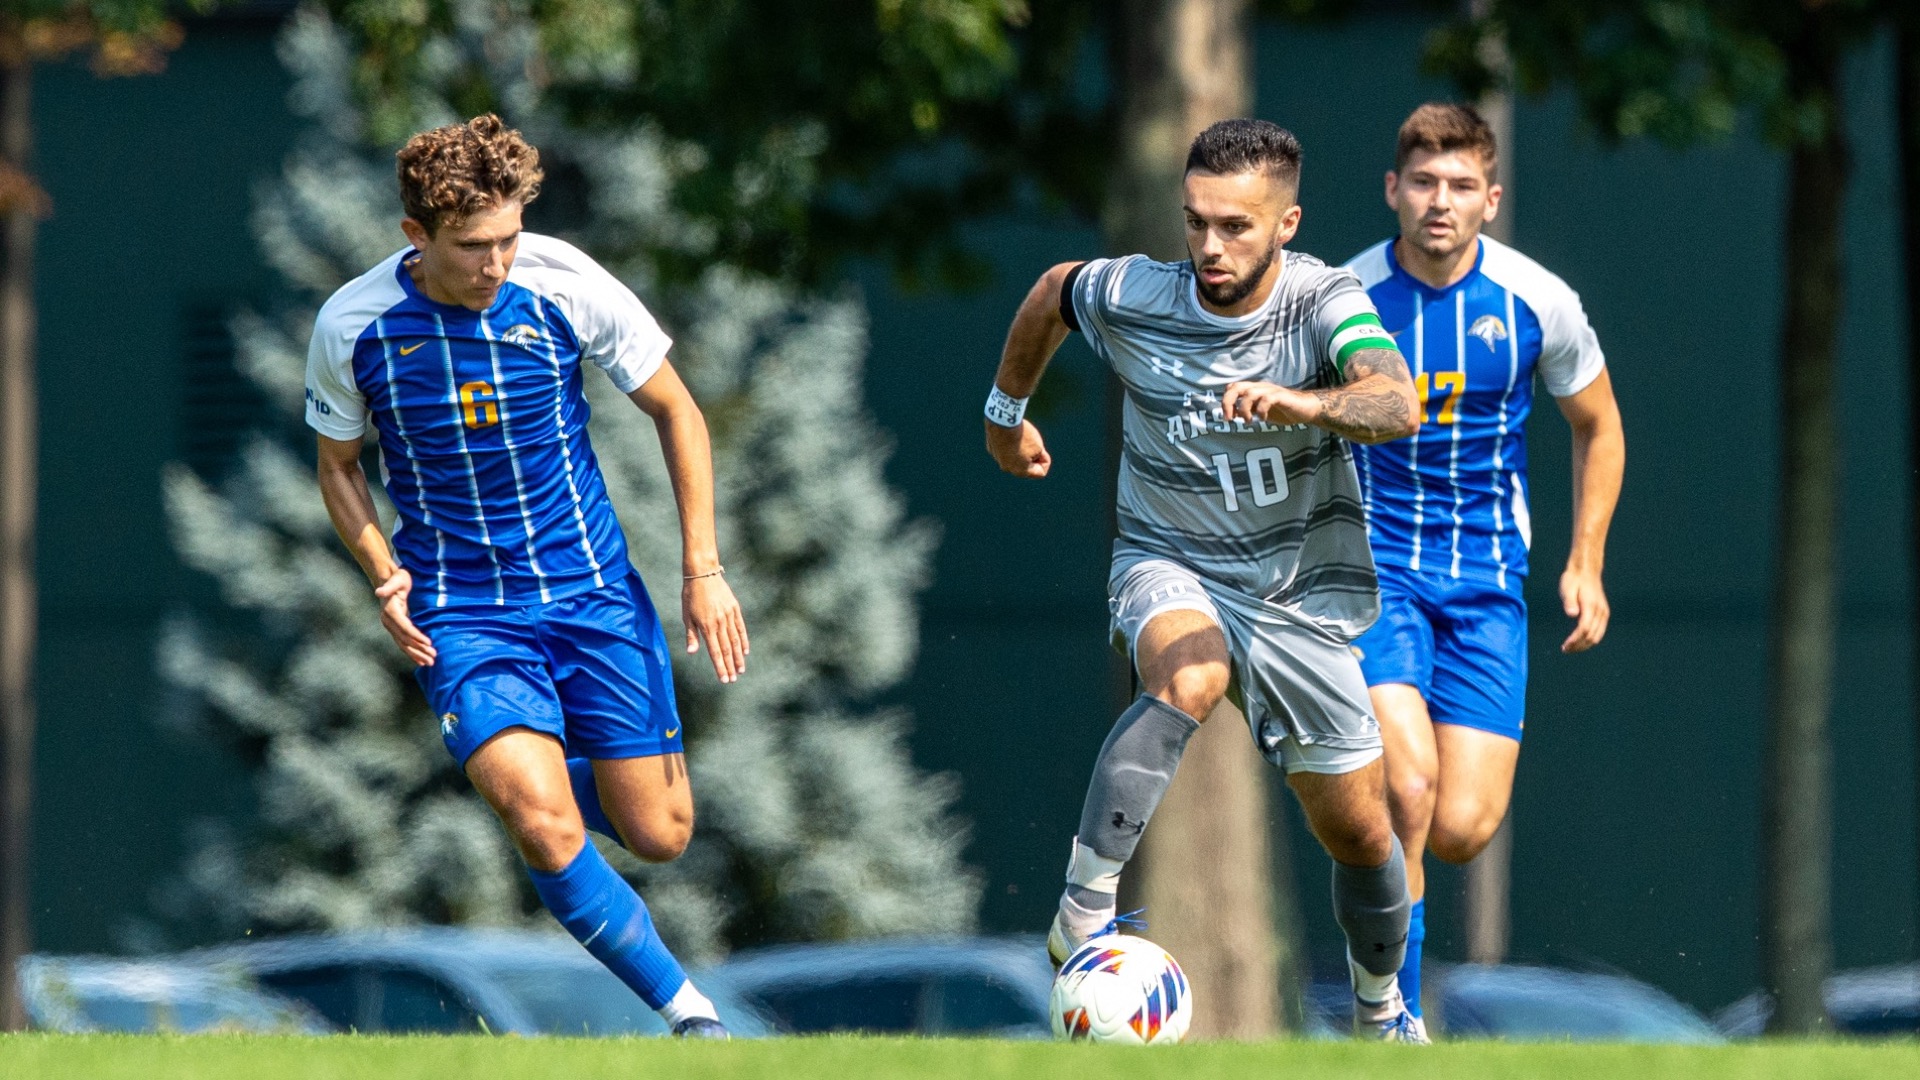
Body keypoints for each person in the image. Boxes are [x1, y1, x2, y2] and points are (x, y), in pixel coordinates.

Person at [306, 114, 749, 1038]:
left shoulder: (563, 283)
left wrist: (701, 568)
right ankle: (691, 1017)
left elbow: (678, 411)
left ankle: (535, 774)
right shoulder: (354, 326)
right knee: (546, 826)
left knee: (660, 834)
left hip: (591, 593)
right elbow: (339, 465)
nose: (497, 262)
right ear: (415, 238)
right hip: (462, 613)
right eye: (473, 246)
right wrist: (381, 569)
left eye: (509, 236)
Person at [987, 118, 1426, 1041]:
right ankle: (1081, 911)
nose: (1211, 247)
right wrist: (1004, 413)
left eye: (1236, 226)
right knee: (1191, 674)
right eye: (1196, 223)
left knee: (1361, 833)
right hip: (1166, 557)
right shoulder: (1138, 293)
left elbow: (1396, 399)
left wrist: (1308, 402)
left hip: (1297, 597)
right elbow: (1053, 292)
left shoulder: (1324, 303)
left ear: (1288, 223)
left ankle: (1381, 1013)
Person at [1344, 103, 1626, 1036]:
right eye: (1423, 181)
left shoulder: (1538, 301)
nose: (1440, 201)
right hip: (1374, 568)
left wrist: (1585, 561)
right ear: (1392, 189)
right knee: (1407, 787)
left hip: (1487, 584)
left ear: (1491, 199)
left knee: (1461, 826)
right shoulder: (1338, 297)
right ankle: (1394, 1019)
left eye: (1461, 185)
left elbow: (1599, 425)